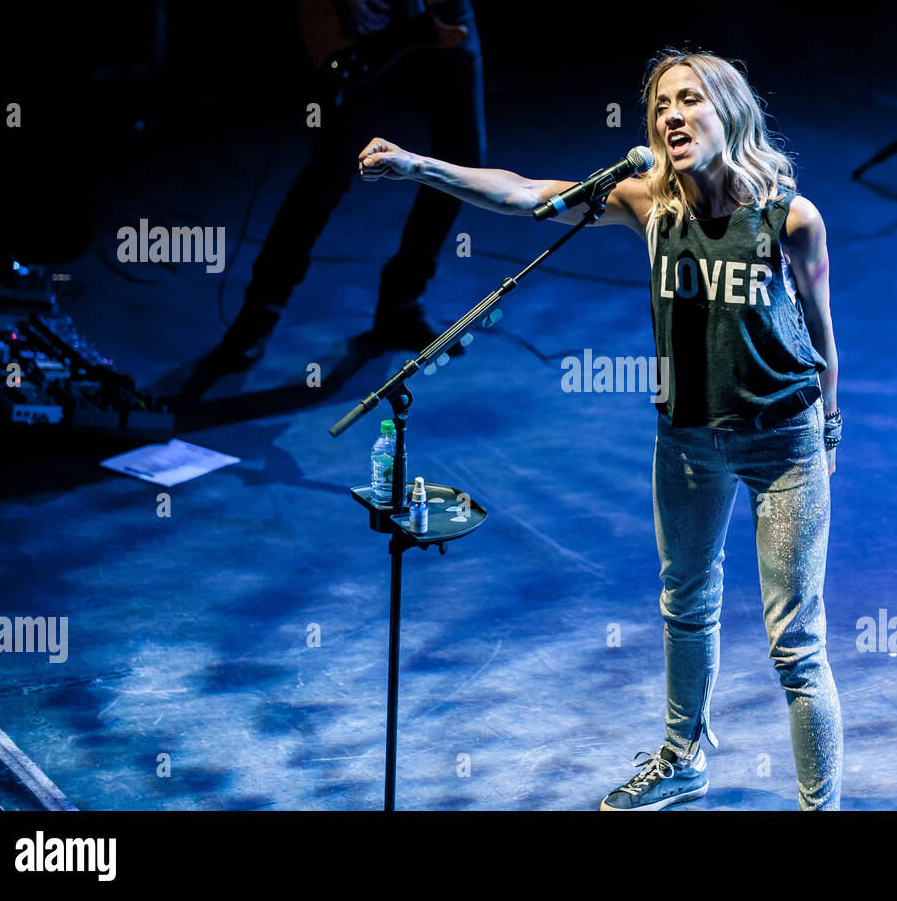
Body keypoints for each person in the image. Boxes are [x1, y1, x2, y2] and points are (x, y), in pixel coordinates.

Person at [359, 48, 843, 811]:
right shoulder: (647, 202)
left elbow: (822, 338)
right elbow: (526, 195)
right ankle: (683, 759)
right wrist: (421, 165)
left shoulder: (790, 218)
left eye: (689, 100)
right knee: (684, 604)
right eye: (659, 105)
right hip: (685, 438)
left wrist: (830, 432)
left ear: (730, 112)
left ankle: (824, 807)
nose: (671, 116)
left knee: (796, 646)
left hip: (783, 442)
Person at [207, 0, 526, 375]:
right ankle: (258, 313)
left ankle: (402, 303)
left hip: (444, 0)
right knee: (331, 170)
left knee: (462, 162)